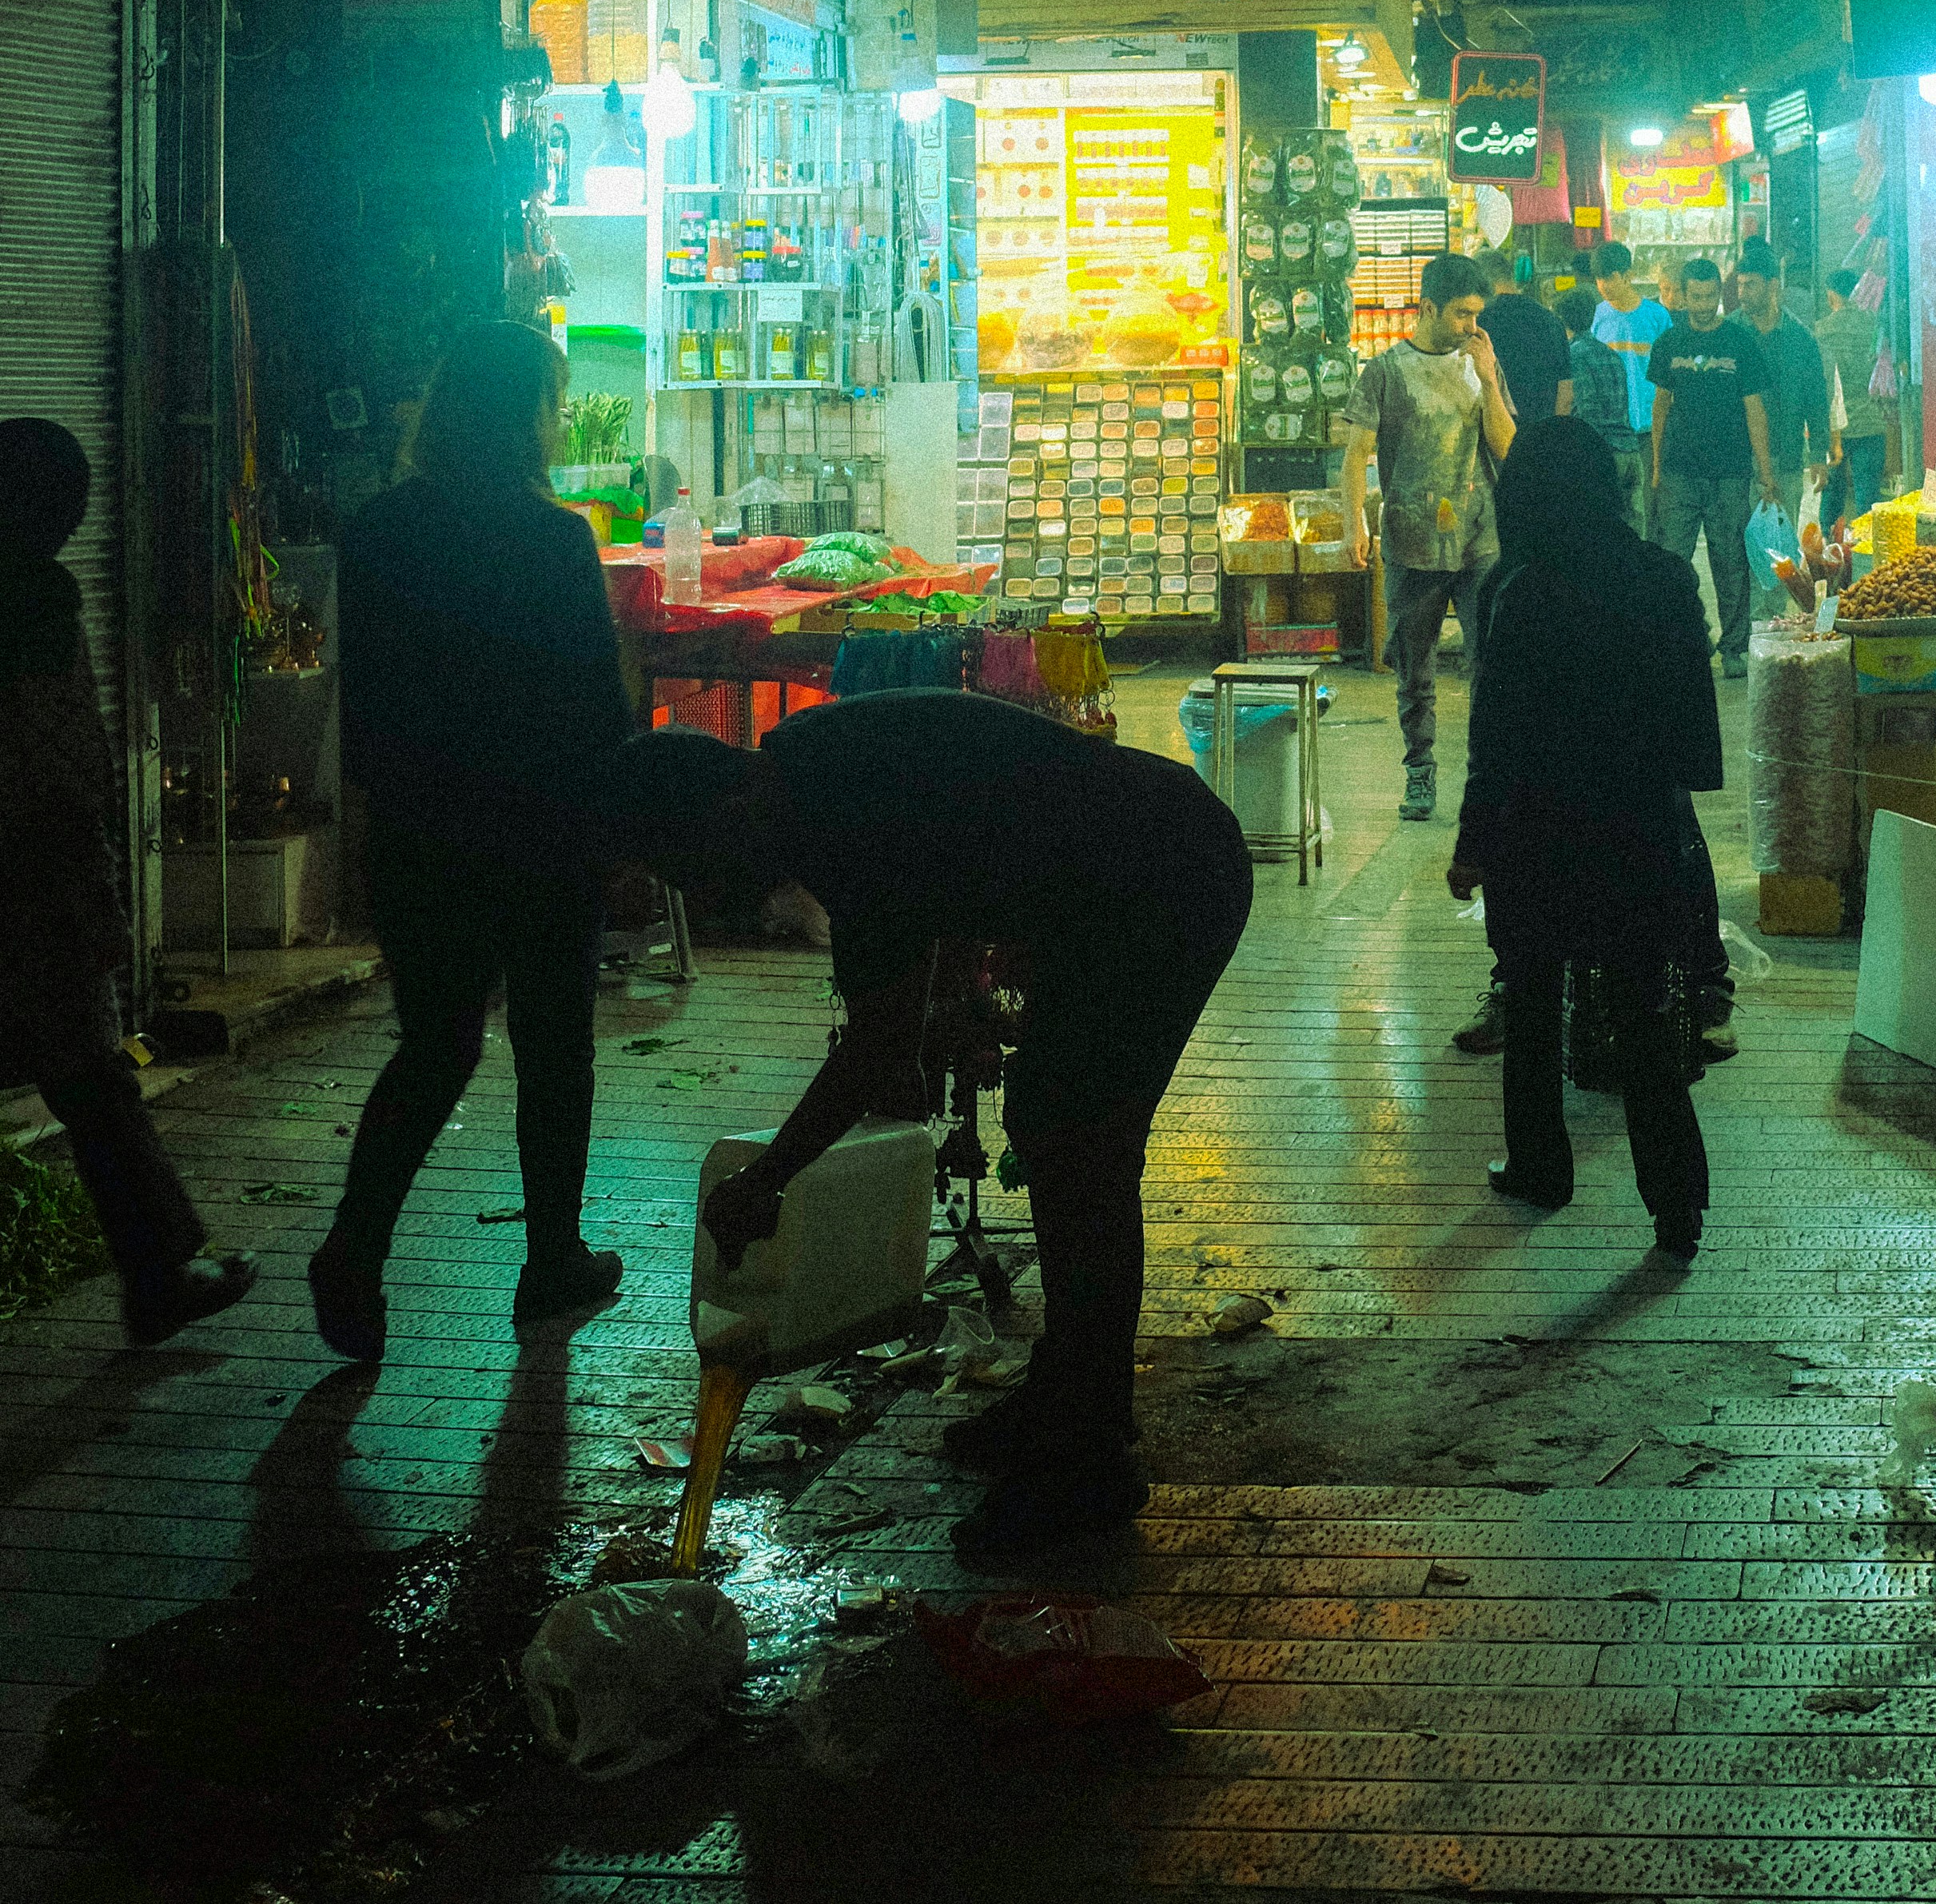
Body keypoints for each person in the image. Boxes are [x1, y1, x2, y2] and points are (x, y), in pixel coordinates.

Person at [607, 692, 1252, 1565]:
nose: (707, 895)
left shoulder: (841, 819)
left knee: (1081, 1149)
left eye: (691, 869)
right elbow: (956, 860)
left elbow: (879, 1041)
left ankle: (1089, 1460)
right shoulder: (811, 768)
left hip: (1162, 879)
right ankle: (1067, 1399)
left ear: (728, 813)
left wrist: (770, 1177)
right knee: (1055, 1126)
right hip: (1130, 866)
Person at [310, 322, 633, 1362]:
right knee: (554, 1050)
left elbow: (360, 709)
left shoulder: (381, 531)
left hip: (423, 830)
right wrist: (615, 824)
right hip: (541, 829)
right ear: (524, 414)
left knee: (435, 1048)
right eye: (551, 399)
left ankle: (354, 1250)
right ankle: (550, 1261)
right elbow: (595, 711)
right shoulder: (552, 541)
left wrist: (374, 818)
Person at [0, 420, 258, 1347]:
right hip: (33, 887)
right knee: (96, 1086)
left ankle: (159, 1268)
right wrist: (98, 898)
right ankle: (158, 1271)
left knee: (93, 1086)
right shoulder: (32, 600)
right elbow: (56, 767)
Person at [1446, 418, 1720, 1261]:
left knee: (1531, 1005)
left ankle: (1539, 1167)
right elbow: (1693, 733)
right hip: (1635, 828)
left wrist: (1471, 842)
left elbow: (1492, 736)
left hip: (1535, 831)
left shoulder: (1515, 587)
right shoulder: (1665, 578)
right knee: (1643, 1011)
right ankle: (1674, 1208)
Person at [1340, 251, 1516, 827]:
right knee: (1415, 672)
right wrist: (1354, 523)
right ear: (1429, 307)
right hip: (1412, 542)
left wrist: (1489, 380)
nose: (1472, 325)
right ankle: (1420, 774)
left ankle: (1488, 778)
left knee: (1490, 666)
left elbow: (1508, 448)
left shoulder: (1482, 363)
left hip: (1478, 540)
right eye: (1463, 314)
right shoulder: (1386, 371)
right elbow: (1357, 456)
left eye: (1477, 314)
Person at [1648, 258, 1776, 679]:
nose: (1703, 305)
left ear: (1722, 295)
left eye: (1711, 296)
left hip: (1730, 474)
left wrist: (1765, 471)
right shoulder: (1668, 343)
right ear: (1682, 296)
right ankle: (1687, 637)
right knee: (1672, 563)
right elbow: (1660, 408)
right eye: (1695, 296)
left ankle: (1734, 649)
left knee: (1730, 562)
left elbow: (1754, 410)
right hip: (1678, 472)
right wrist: (1655, 466)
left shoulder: (1741, 342)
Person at [1731, 238, 1834, 526]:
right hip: (1736, 463)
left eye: (1750, 285)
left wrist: (1818, 453)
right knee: (1739, 549)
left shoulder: (1800, 339)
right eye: (1739, 285)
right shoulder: (1731, 333)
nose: (1742, 293)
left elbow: (1816, 399)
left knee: (1781, 548)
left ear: (1773, 285)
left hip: (1786, 456)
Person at [1591, 241, 1671, 511]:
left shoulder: (1657, 317)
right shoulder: (1599, 315)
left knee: (1647, 506)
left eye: (1609, 277)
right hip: (1610, 428)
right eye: (1599, 278)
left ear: (1627, 275)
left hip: (1649, 428)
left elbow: (1671, 375)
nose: (1603, 285)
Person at [1556, 287, 1643, 529]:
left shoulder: (1573, 356)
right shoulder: (1611, 355)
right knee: (1632, 536)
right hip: (1630, 452)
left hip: (1603, 456)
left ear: (1562, 321)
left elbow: (1584, 412)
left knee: (1598, 534)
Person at [1816, 268, 1889, 515]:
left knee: (1831, 496)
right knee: (1868, 500)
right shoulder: (1876, 327)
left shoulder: (1820, 331)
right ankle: (1865, 550)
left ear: (1832, 295)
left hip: (1834, 426)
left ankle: (1828, 547)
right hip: (1871, 422)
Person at [1476, 253, 1573, 423]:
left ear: (1483, 284)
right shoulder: (1550, 320)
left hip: (1497, 433)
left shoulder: (1478, 323)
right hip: (1541, 434)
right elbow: (1565, 391)